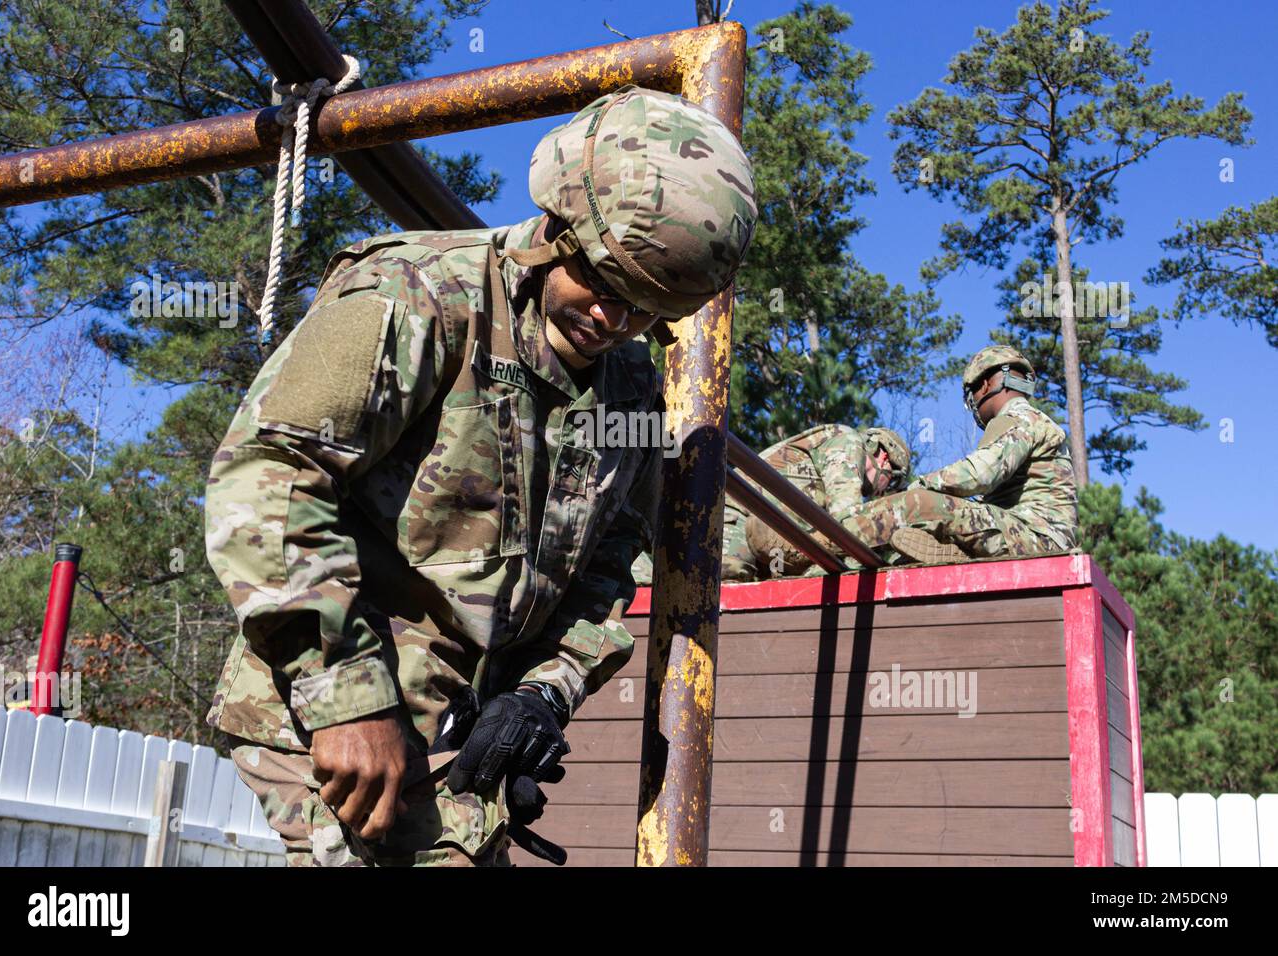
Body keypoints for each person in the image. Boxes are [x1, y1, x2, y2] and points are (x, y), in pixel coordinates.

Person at [203, 84, 757, 866]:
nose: (614, 321)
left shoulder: (629, 390)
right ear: (560, 221)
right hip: (329, 705)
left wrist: (540, 696)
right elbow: (268, 481)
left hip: (456, 742)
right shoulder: (420, 295)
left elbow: (610, 565)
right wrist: (349, 702)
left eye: (643, 308)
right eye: (602, 281)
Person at [838, 346, 1078, 567]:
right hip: (1029, 536)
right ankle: (955, 554)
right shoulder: (1032, 421)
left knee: (917, 504)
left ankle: (832, 540)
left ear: (984, 385)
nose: (973, 406)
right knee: (919, 537)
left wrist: (921, 486)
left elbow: (979, 474)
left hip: (1036, 539)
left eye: (970, 398)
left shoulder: (1020, 418)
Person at [631, 425, 909, 583]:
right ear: (884, 459)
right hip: (730, 516)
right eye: (891, 484)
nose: (881, 493)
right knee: (715, 591)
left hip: (752, 527)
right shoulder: (848, 442)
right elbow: (846, 521)